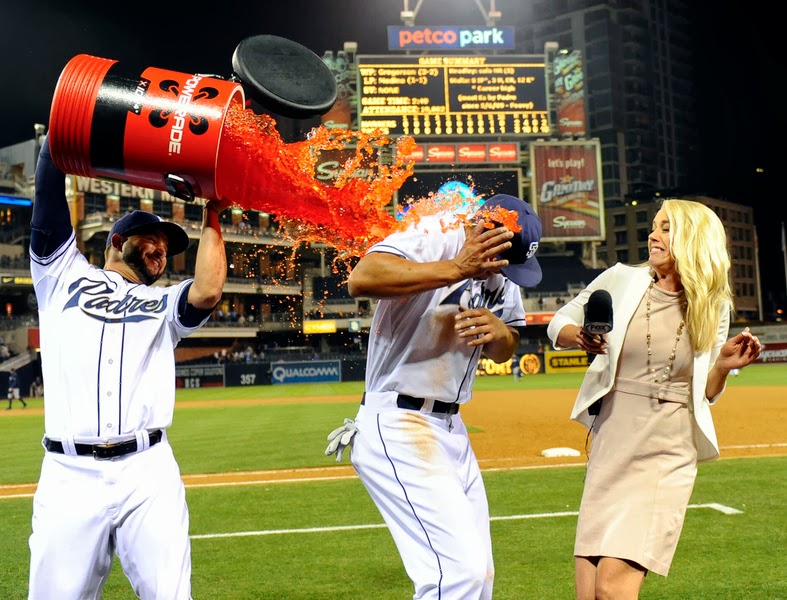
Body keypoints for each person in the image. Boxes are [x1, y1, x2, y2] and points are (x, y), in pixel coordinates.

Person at [27, 136, 230, 599]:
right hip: (69, 473)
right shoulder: (61, 275)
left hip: (147, 470)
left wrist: (213, 212)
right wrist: (60, 135)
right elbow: (48, 196)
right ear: (118, 241)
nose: (162, 248)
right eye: (152, 238)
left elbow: (207, 291)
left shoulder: (161, 303)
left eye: (167, 245)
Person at [325, 194, 542, 599]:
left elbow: (508, 341)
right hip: (400, 422)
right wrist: (457, 268)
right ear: (486, 235)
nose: (507, 271)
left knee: (479, 576)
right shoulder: (436, 233)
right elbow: (363, 278)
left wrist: (500, 333)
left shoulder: (503, 276)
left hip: (451, 428)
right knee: (459, 575)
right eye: (505, 258)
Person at [546, 199, 762, 600]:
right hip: (612, 438)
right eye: (654, 226)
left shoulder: (715, 304)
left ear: (691, 239)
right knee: (588, 590)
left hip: (666, 447)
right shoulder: (621, 278)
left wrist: (723, 367)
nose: (653, 235)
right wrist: (577, 337)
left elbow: (705, 392)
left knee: (613, 588)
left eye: (666, 228)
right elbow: (560, 320)